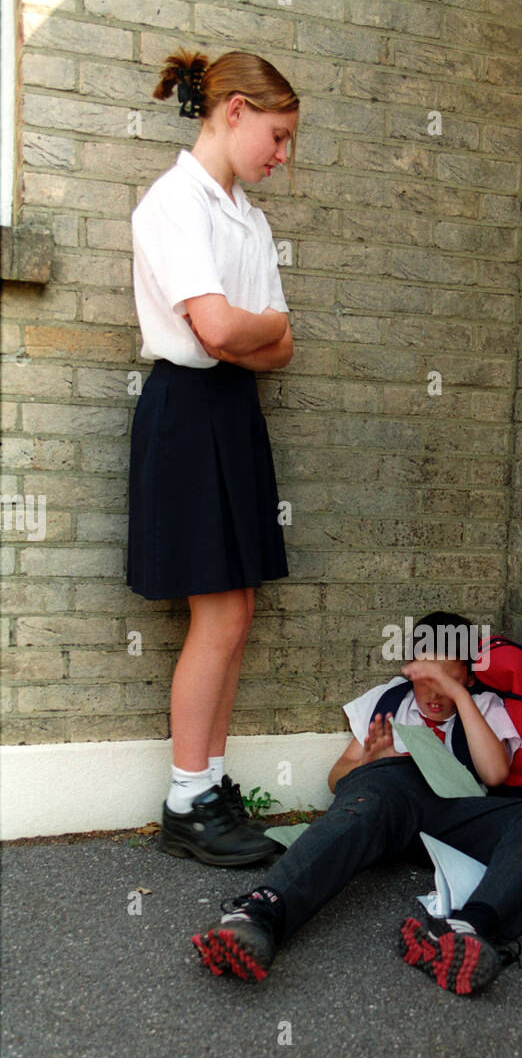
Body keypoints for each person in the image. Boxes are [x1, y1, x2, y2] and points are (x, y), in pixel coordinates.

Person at [192, 613, 522, 995]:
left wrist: (462, 696)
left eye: (451, 681)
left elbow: (494, 774)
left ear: (470, 677)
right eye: (428, 679)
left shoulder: (485, 705)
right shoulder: (388, 700)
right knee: (378, 788)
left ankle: (465, 930)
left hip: (453, 819)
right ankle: (260, 912)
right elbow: (336, 779)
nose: (437, 694)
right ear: (411, 672)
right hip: (387, 808)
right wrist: (370, 765)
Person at [127, 48, 299, 867]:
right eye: (278, 134)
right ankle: (184, 799)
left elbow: (281, 346)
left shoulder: (249, 218)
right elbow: (225, 331)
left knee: (241, 607)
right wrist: (247, 326)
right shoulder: (174, 202)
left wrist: (245, 328)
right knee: (218, 612)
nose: (283, 154)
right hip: (187, 412)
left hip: (232, 412)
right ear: (233, 110)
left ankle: (212, 783)